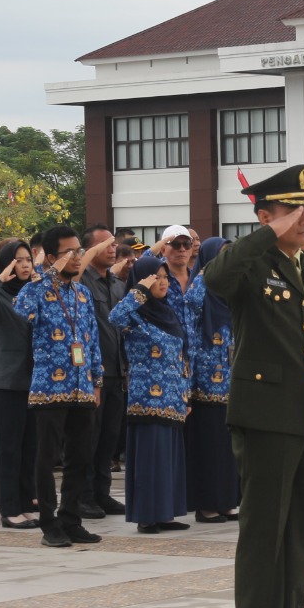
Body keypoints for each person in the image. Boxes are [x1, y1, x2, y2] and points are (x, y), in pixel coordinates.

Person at [201, 164, 304, 608]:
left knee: (301, 530)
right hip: (265, 415)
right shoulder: (251, 265)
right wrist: (267, 233)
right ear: (265, 216)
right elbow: (214, 279)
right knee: (264, 530)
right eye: (293, 211)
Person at [15, 225, 107, 548]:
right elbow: (20, 311)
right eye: (70, 252)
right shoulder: (38, 290)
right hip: (49, 389)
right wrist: (45, 274)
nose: (77, 257)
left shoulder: (82, 292)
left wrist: (97, 381)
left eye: (79, 251)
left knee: (81, 457)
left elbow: (92, 340)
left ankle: (71, 518)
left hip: (82, 388)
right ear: (52, 257)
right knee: (47, 457)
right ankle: (49, 523)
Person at [113, 254, 191, 533]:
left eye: (164, 277)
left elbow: (182, 356)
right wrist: (140, 292)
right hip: (146, 397)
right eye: (155, 277)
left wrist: (186, 393)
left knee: (168, 458)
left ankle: (165, 513)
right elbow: (114, 317)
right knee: (150, 456)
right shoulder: (133, 312)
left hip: (173, 396)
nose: (162, 282)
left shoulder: (168, 313)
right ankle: (147, 515)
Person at [0, 239, 41, 529]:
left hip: (36, 379)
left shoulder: (35, 292)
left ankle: (26, 504)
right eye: (18, 260)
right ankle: (9, 508)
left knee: (30, 447)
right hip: (6, 381)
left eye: (28, 259)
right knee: (8, 447)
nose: (25, 265)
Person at [185, 237, 240, 522]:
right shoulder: (200, 287)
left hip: (232, 382)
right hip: (205, 383)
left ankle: (227, 500)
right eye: (221, 257)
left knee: (230, 447)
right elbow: (190, 326)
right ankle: (207, 505)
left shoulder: (231, 290)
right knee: (209, 446)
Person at [80, 225, 130, 519]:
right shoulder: (82, 281)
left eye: (114, 244)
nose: (112, 249)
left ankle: (102, 492)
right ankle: (84, 496)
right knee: (90, 436)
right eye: (105, 244)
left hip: (117, 371)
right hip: (92, 374)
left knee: (109, 438)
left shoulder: (116, 284)